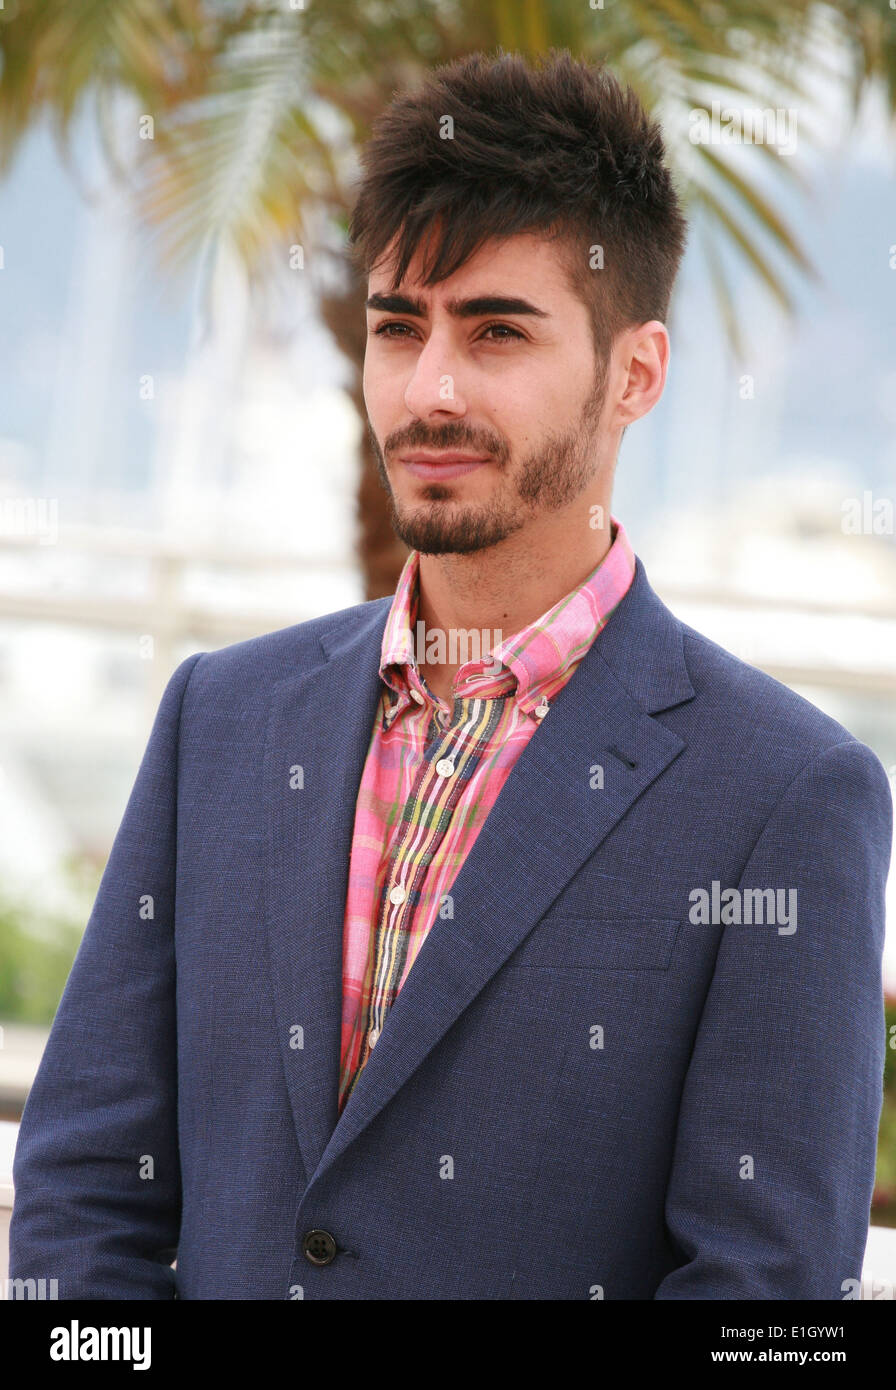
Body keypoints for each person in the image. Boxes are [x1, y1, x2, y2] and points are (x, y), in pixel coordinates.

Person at [9, 48, 891, 1300]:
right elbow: (84, 1188)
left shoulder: (784, 795)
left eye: (495, 333)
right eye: (396, 328)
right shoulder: (222, 718)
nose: (428, 390)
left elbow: (761, 1289)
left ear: (632, 372)